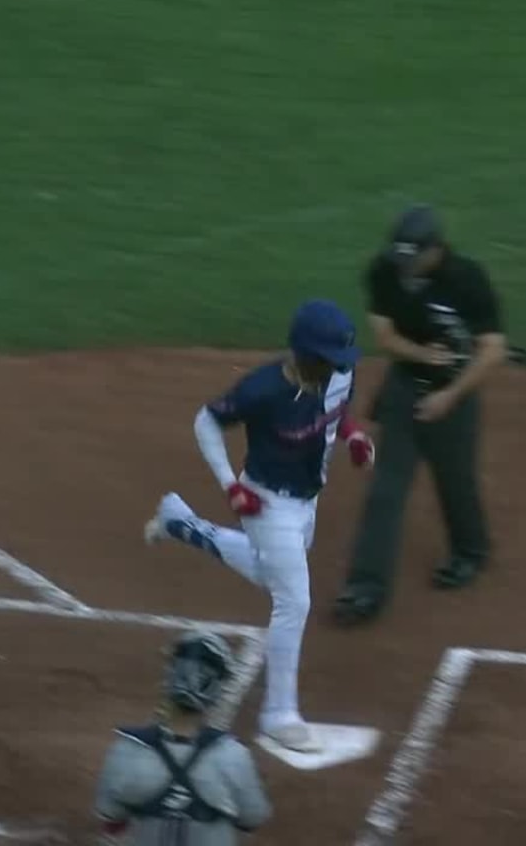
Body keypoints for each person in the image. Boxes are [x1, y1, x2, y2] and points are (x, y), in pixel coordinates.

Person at [142, 299, 376, 753]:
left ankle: (179, 522)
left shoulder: (339, 375)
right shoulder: (262, 390)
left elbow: (335, 410)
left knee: (270, 573)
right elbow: (206, 422)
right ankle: (279, 714)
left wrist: (354, 436)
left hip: (307, 500)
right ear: (307, 354)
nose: (338, 370)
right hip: (265, 502)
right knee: (293, 601)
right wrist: (231, 486)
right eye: (330, 361)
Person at [333, 204, 508, 626]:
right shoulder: (384, 271)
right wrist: (422, 356)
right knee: (385, 490)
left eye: (414, 257)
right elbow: (385, 334)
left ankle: (470, 550)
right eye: (401, 256)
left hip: (456, 392)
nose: (405, 265)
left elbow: (493, 350)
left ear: (437, 249)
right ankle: (364, 590)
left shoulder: (467, 279)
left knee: (455, 481)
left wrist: (449, 395)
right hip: (405, 389)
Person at [93, 631, 272, 845]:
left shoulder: (125, 751)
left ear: (169, 678)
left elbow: (110, 816)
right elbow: (252, 818)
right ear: (216, 690)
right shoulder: (233, 756)